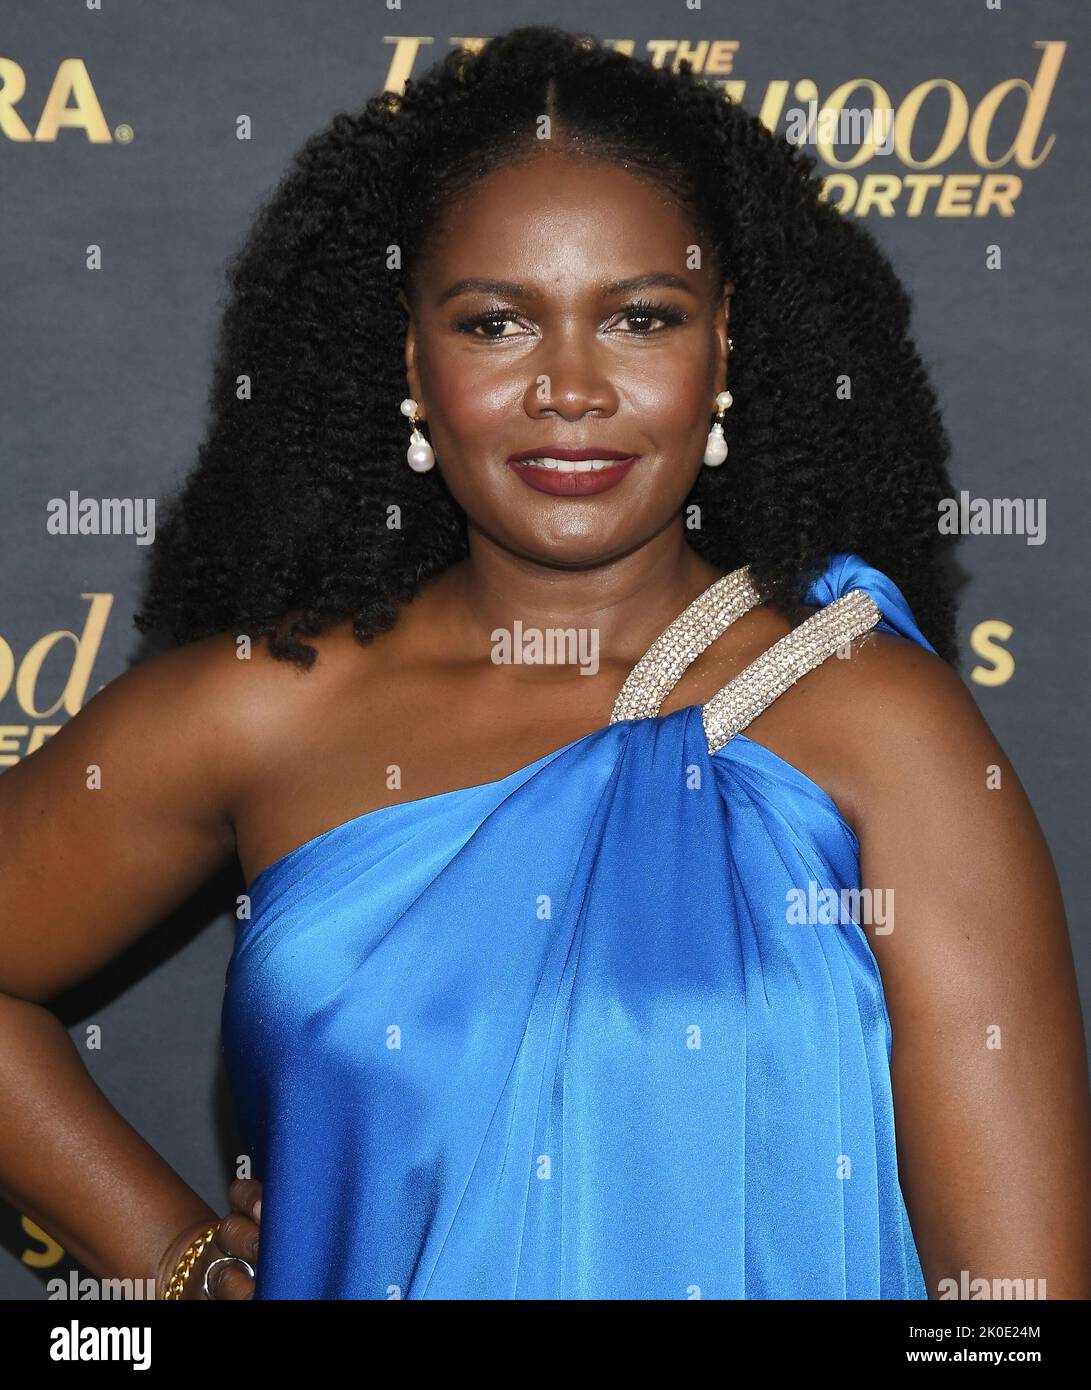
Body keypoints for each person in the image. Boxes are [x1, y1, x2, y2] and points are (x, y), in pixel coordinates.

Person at [1, 25, 1088, 1301]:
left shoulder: (874, 724)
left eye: (638, 316)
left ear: (723, 345)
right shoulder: (264, 711)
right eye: (495, 323)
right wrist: (169, 1262)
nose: (568, 388)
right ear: (411, 359)